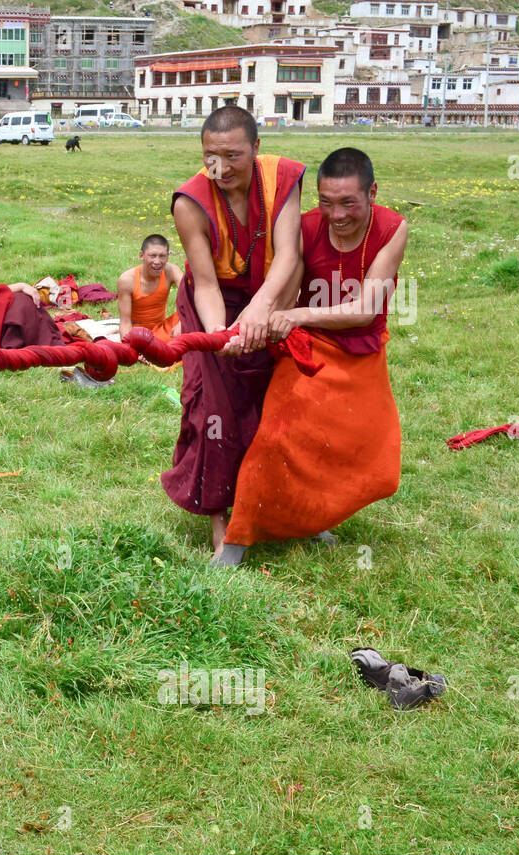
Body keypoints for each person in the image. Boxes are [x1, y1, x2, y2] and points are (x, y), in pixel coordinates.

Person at [215, 148, 407, 565]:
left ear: (372, 193)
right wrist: (256, 325)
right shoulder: (304, 228)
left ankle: (310, 517)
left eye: (348, 202)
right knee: (277, 435)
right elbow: (286, 286)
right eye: (326, 201)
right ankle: (237, 539)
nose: (335, 214)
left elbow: (365, 308)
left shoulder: (392, 228)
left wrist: (296, 313)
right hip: (308, 346)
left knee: (362, 449)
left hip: (363, 350)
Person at [162, 106, 306, 558]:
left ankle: (286, 509)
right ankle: (222, 520)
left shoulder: (282, 177)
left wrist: (262, 310)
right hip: (214, 308)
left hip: (274, 297)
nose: (220, 169)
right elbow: (204, 281)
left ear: (257, 149)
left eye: (232, 156)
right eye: (210, 157)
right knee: (215, 408)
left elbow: (289, 253)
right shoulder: (190, 201)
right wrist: (222, 334)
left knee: (278, 402)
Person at [117, 234, 183, 345]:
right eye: (152, 256)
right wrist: (129, 345)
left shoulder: (171, 270)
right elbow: (125, 322)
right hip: (138, 334)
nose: (157, 262)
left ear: (167, 257)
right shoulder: (127, 280)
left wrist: (182, 323)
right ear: (141, 255)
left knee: (193, 317)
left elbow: (191, 294)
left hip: (161, 330)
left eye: (162, 256)